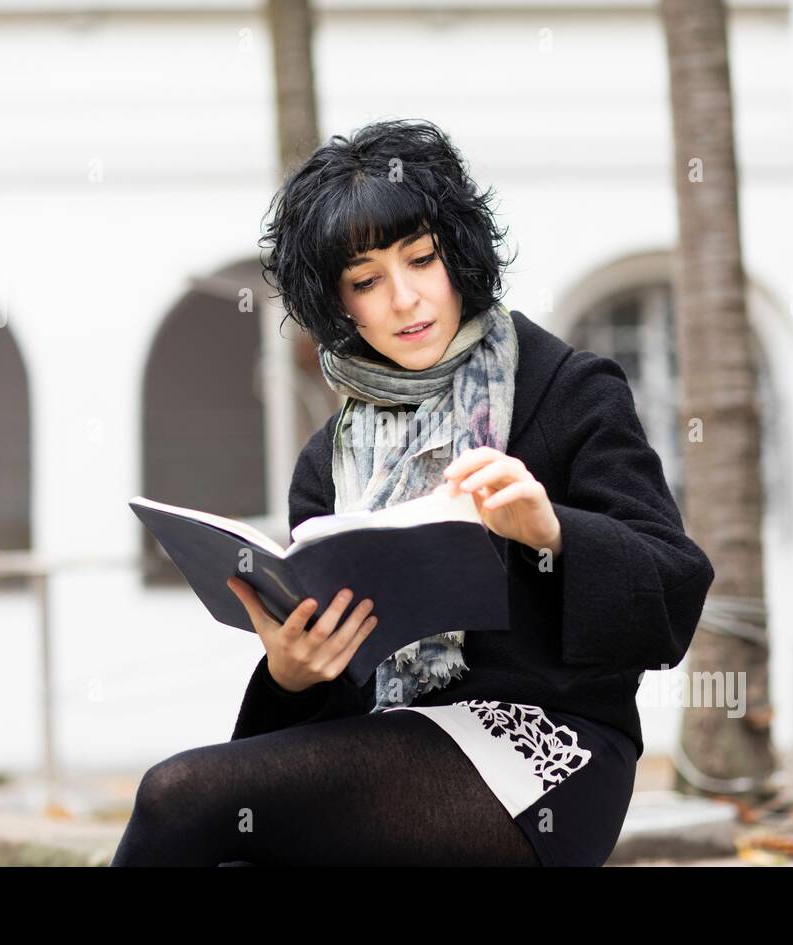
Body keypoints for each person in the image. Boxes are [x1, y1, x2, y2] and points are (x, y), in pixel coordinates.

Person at [110, 118, 715, 867]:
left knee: (176, 794)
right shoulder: (327, 463)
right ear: (339, 307)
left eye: (422, 260)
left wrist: (550, 530)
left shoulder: (567, 392)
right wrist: (292, 675)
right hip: (392, 751)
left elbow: (675, 592)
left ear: (457, 254)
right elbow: (328, 719)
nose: (405, 300)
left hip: (549, 758)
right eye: (366, 282)